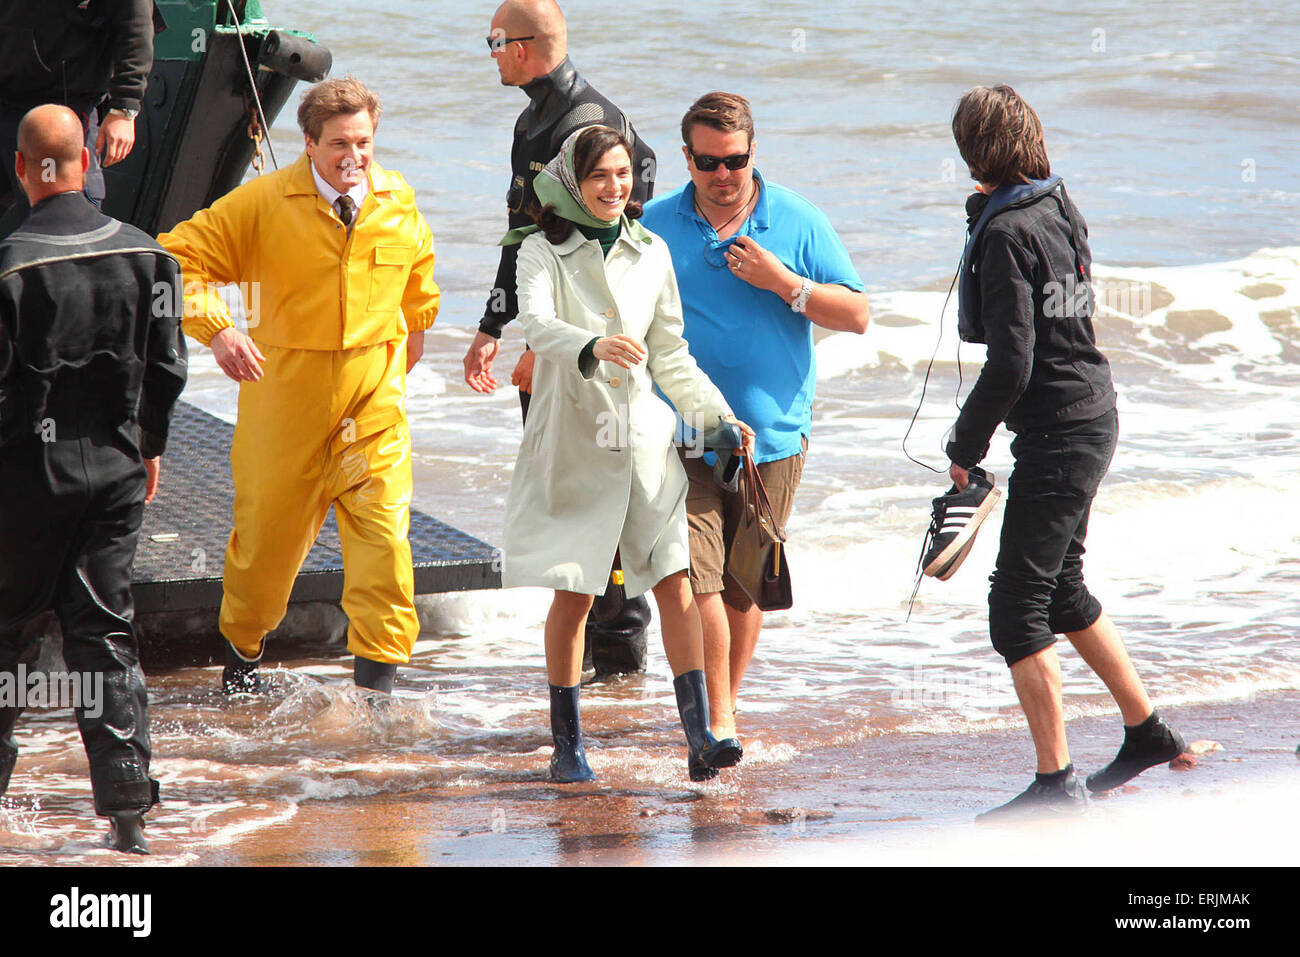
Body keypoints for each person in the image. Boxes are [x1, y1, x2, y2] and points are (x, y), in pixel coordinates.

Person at [943, 85, 1185, 821]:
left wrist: (965, 444)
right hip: (1092, 413)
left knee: (1017, 610)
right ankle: (1148, 731)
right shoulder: (1056, 204)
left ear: (973, 152)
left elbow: (1013, 362)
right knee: (1064, 588)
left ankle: (1056, 785)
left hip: (1059, 432)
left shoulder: (1006, 230)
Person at [158, 77, 439, 696]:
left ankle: (378, 706)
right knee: (263, 562)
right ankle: (242, 665)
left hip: (373, 413)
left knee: (386, 554)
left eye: (364, 142)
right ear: (308, 144)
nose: (354, 157)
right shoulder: (262, 204)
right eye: (339, 143)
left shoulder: (397, 201)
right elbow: (173, 260)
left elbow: (418, 273)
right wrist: (220, 330)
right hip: (284, 413)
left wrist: (411, 334)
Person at [502, 125, 753, 782]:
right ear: (573, 183)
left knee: (674, 580)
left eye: (622, 174)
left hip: (643, 440)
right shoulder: (540, 251)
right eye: (599, 177)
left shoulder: (653, 250)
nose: (615, 187)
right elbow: (534, 325)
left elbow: (671, 354)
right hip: (574, 442)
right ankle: (568, 744)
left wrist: (718, 419)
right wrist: (593, 345)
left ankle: (700, 735)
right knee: (577, 593)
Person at [641, 92, 869, 745]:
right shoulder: (655, 223)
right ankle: (716, 718)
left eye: (734, 161)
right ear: (686, 156)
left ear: (752, 152)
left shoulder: (796, 220)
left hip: (772, 440)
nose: (721, 175)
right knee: (693, 575)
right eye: (707, 162)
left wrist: (784, 283)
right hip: (683, 434)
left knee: (744, 589)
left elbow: (856, 315)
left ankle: (723, 708)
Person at [0, 104, 187, 853]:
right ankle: (130, 815)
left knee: (8, 644)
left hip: (22, 481)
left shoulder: (8, 264)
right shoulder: (150, 256)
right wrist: (150, 444)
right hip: (112, 475)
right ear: (87, 163)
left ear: (21, 169)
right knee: (105, 637)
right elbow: (169, 364)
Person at [465, 0, 657, 676]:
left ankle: (622, 674)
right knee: (571, 505)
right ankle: (599, 680)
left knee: (601, 508)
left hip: (595, 358)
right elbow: (524, 233)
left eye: (494, 40)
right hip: (557, 348)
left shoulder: (587, 123)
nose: (490, 52)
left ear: (524, 46)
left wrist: (539, 342)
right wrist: (493, 324)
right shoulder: (532, 122)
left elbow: (615, 248)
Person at [0, 1, 156, 236]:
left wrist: (125, 107)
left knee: (63, 222)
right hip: (6, 101)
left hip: (60, 115)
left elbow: (135, 25)